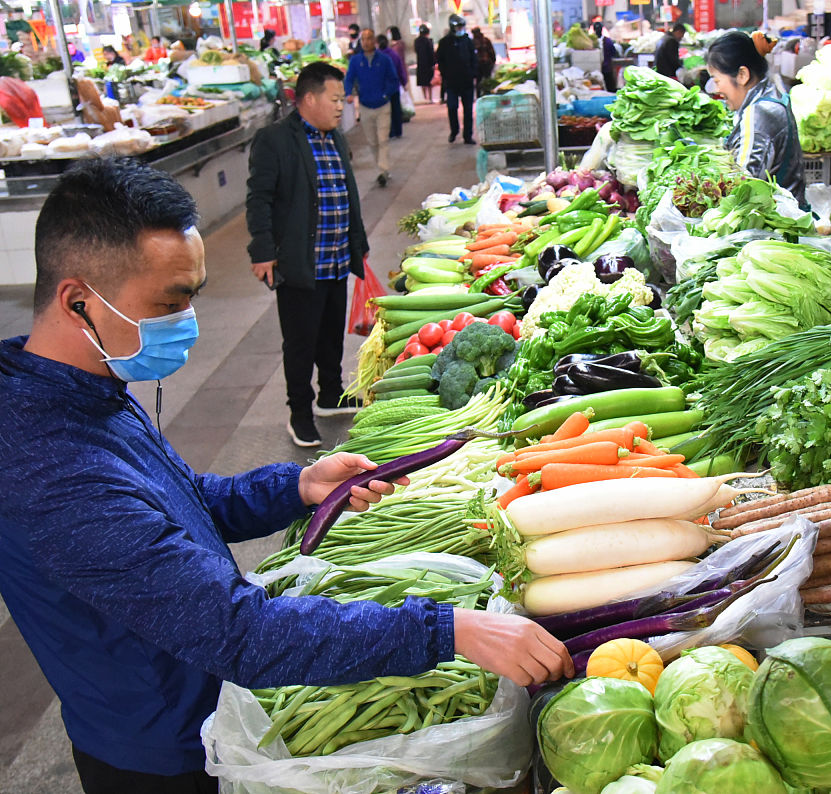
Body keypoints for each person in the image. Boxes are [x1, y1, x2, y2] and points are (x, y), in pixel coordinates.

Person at [0, 155, 573, 794]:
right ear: (79, 300)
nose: (187, 320)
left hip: (202, 699)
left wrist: (295, 487)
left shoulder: (84, 384)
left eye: (194, 296)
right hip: (160, 746)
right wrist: (449, 630)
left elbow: (177, 502)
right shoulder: (51, 467)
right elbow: (235, 631)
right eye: (170, 302)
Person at [246, 62, 368, 445]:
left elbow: (346, 194)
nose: (341, 106)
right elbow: (259, 199)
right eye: (334, 99)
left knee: (331, 334)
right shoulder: (275, 140)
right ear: (310, 98)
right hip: (300, 262)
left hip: (335, 259)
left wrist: (357, 246)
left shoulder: (335, 138)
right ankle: (300, 411)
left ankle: (331, 395)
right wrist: (263, 251)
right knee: (300, 341)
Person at [706, 31, 804, 200]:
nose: (716, 90)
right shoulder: (771, 95)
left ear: (742, 75)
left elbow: (742, 185)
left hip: (775, 221)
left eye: (717, 81)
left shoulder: (758, 114)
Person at [344, 28, 400, 187]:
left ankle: (383, 170)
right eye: (363, 39)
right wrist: (349, 93)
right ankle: (381, 168)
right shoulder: (355, 61)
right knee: (372, 141)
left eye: (369, 38)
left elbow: (393, 80)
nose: (366, 42)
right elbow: (349, 79)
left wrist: (385, 94)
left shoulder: (384, 60)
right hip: (365, 106)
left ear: (374, 40)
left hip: (383, 106)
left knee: (383, 139)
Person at [437, 14, 478, 144]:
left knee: (468, 111)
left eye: (462, 26)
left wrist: (472, 73)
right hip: (452, 83)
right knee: (452, 107)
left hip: (467, 82)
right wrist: (445, 75)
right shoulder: (444, 43)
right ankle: (454, 131)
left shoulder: (467, 41)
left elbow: (474, 59)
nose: (461, 29)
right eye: (458, 27)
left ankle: (467, 135)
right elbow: (440, 60)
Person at [379, 32, 407, 138]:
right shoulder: (393, 54)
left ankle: (390, 131)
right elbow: (400, 70)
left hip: (383, 88)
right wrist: (404, 82)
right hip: (395, 86)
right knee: (396, 108)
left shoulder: (377, 57)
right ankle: (398, 131)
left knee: (386, 110)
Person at [592, 20, 619, 92]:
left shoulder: (592, 41)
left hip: (604, 69)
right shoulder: (607, 41)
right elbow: (614, 53)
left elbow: (613, 52)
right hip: (601, 70)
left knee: (609, 88)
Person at [415, 23, 435, 103]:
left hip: (420, 63)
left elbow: (416, 51)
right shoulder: (428, 41)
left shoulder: (416, 41)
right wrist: (433, 63)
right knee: (429, 82)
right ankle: (430, 98)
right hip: (428, 63)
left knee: (422, 82)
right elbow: (431, 53)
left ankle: (425, 97)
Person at [472, 26, 496, 95]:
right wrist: (493, 61)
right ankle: (487, 93)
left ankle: (479, 95)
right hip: (486, 63)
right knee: (487, 79)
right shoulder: (486, 40)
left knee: (478, 81)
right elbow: (491, 52)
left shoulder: (472, 42)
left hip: (478, 65)